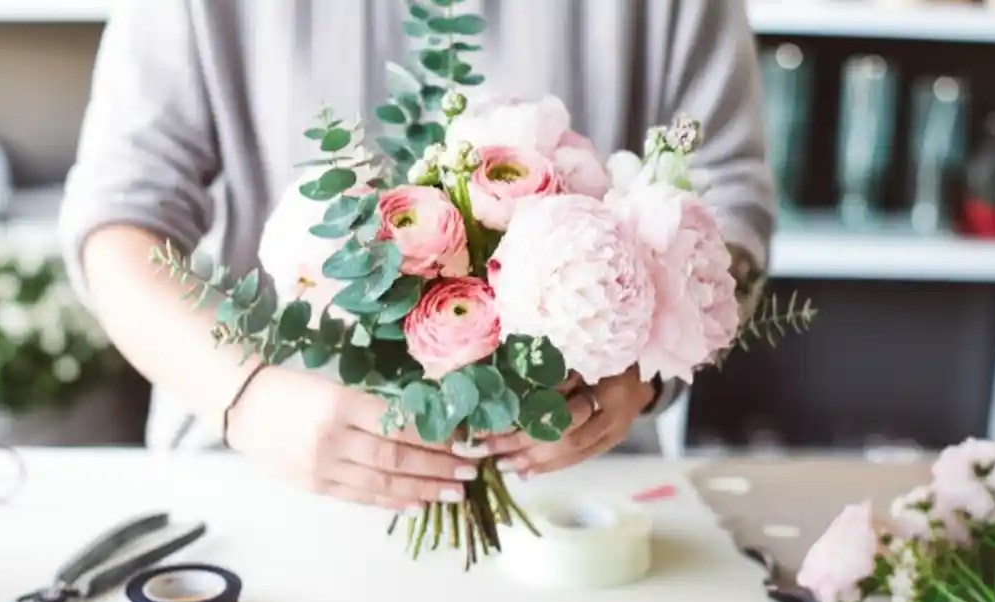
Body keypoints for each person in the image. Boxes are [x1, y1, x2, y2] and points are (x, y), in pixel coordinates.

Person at [60, 0, 774, 510]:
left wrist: (640, 380)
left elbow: (729, 204)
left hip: (573, 490)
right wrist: (246, 396)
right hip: (258, 469)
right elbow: (119, 223)